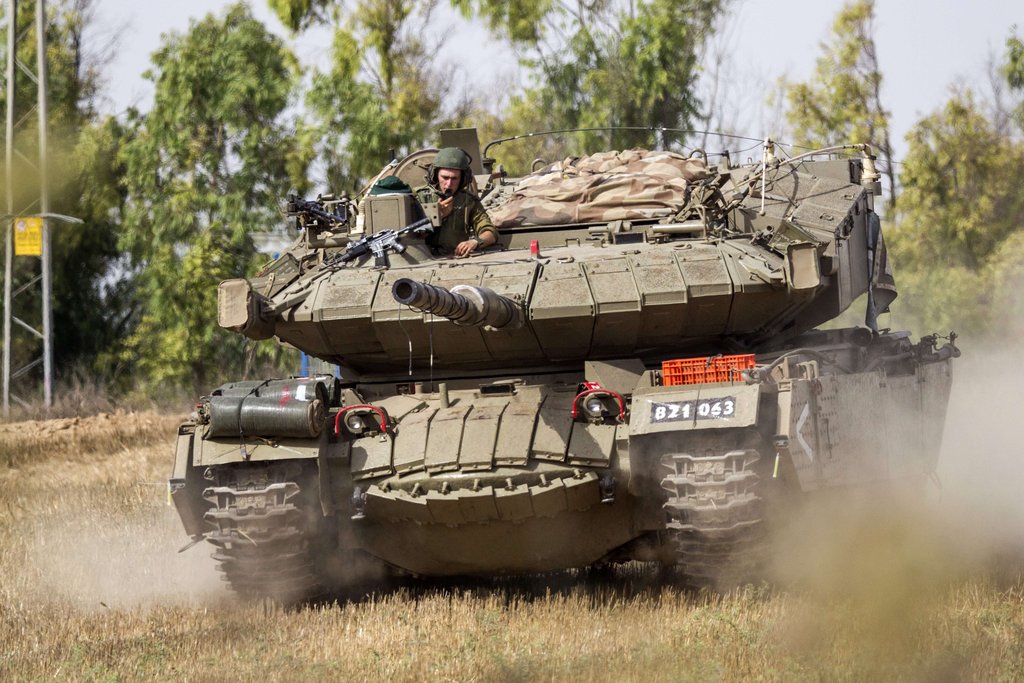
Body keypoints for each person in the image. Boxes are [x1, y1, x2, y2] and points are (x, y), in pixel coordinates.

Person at [415, 147, 498, 257]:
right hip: (424, 259)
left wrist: (474, 242)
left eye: (454, 178)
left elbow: (490, 233)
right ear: (434, 175)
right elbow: (411, 235)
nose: (449, 184)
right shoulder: (418, 197)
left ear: (463, 178)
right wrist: (438, 216)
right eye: (445, 177)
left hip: (456, 259)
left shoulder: (468, 201)